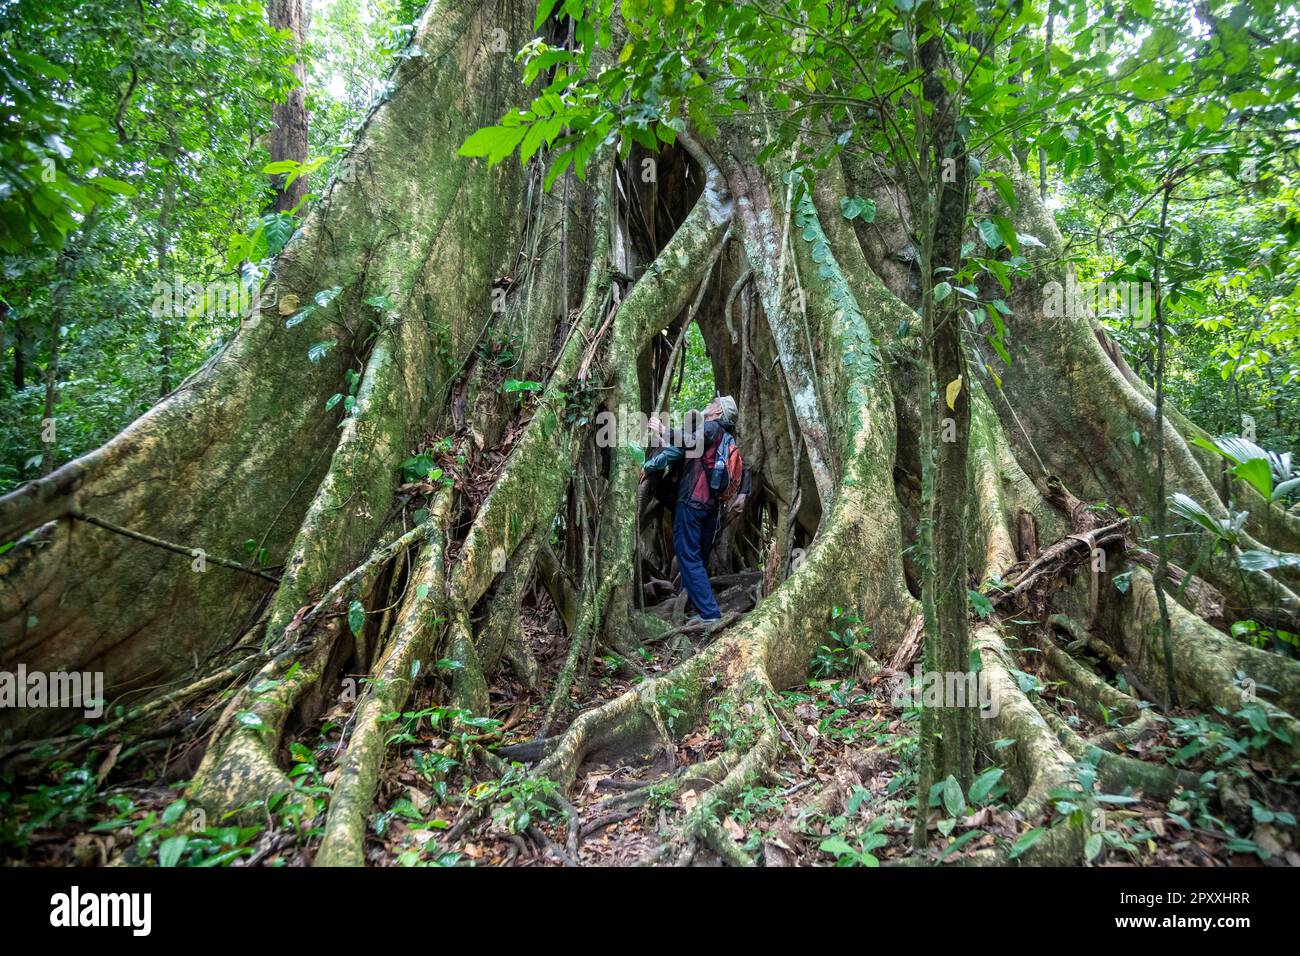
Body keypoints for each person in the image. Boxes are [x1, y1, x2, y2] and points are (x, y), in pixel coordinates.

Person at [641, 395, 748, 623]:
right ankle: (688, 602)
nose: (708, 403)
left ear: (718, 413)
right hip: (712, 508)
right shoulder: (726, 438)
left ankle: (710, 615)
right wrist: (744, 494)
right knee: (696, 557)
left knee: (687, 556)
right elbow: (744, 468)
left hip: (692, 502)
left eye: (713, 403)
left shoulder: (709, 427)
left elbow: (689, 442)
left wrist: (662, 430)